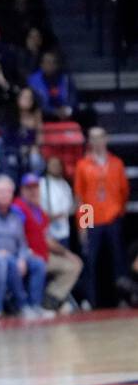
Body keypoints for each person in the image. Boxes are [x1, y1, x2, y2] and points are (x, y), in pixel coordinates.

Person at [73, 127, 129, 308]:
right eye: (93, 138)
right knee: (91, 262)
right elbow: (81, 198)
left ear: (106, 139)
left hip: (113, 219)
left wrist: (118, 212)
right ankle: (90, 300)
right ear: (89, 141)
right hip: (92, 221)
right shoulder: (83, 165)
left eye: (100, 137)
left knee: (118, 262)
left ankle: (122, 299)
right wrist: (83, 225)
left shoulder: (116, 163)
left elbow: (123, 192)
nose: (97, 141)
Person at [13, 174, 82, 313]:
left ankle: (50, 301)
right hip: (27, 256)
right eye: (29, 188)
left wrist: (68, 254)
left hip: (44, 255)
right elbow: (15, 235)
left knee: (75, 264)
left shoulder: (40, 211)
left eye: (35, 187)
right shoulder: (18, 208)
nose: (33, 191)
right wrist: (25, 253)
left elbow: (47, 239)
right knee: (37, 264)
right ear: (22, 190)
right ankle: (34, 304)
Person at [0, 175, 47, 316]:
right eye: (0, 191)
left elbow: (23, 243)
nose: (5, 195)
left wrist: (22, 258)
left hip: (15, 255)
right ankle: (2, 308)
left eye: (8, 191)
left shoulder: (16, 217)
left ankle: (35, 305)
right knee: (6, 262)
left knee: (38, 263)